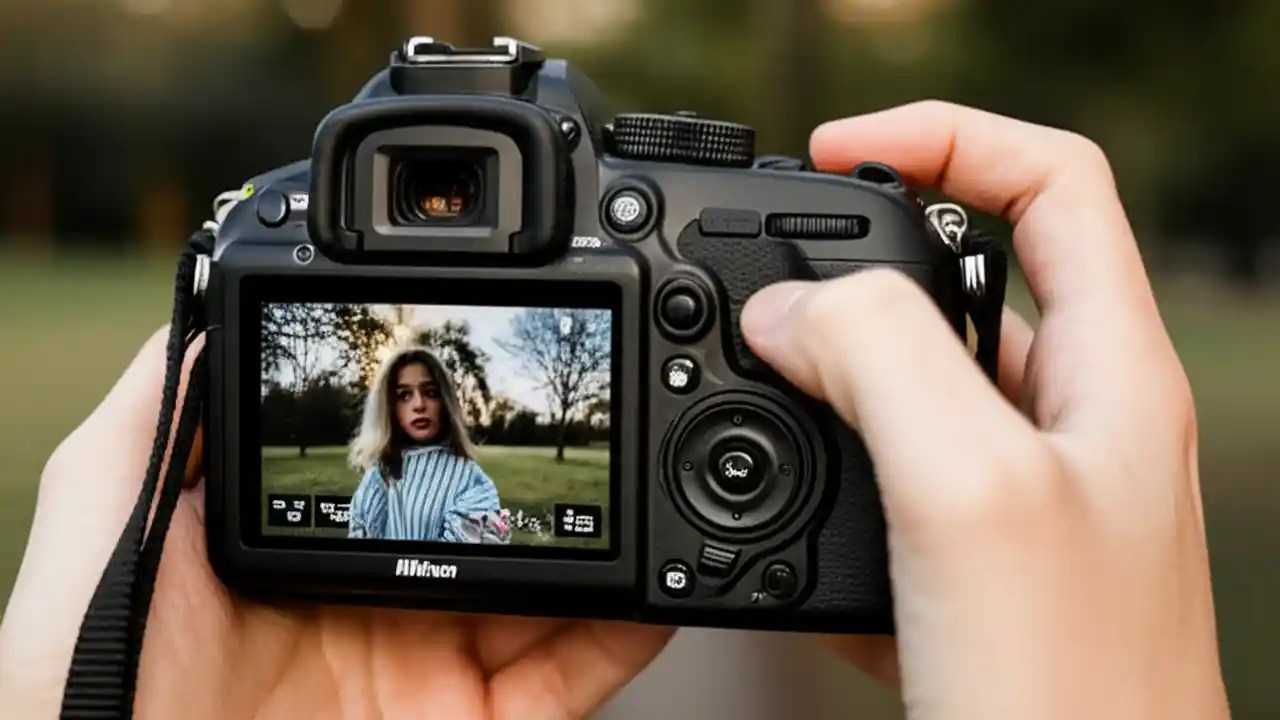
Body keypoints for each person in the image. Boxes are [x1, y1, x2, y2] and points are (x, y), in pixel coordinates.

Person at [0, 101, 1230, 719]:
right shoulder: (375, 480)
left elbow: (477, 519)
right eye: (409, 387)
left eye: (431, 388)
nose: (420, 399)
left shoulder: (470, 476)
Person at [345, 345, 505, 543]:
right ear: (390, 408)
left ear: (445, 402)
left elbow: (470, 562)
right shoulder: (379, 473)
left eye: (430, 392)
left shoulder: (471, 480)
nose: (419, 405)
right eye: (404, 396)